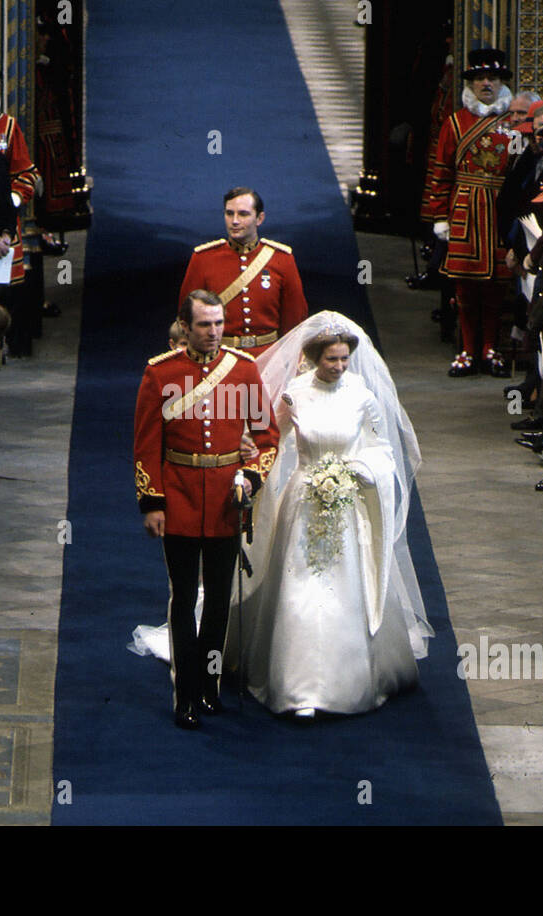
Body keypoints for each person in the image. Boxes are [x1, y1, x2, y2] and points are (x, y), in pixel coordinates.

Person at [240, 312, 433, 717]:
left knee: (344, 588)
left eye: (345, 359)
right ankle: (300, 687)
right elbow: (271, 440)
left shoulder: (361, 395)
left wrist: (358, 473)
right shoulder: (295, 394)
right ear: (314, 357)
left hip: (349, 505)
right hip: (304, 502)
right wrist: (249, 467)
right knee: (301, 587)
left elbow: (381, 449)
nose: (340, 366)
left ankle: (349, 678)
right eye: (332, 359)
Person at [132, 290, 279, 729]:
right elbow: (145, 444)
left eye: (218, 324)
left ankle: (211, 684)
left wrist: (250, 477)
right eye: (204, 325)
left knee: (218, 601)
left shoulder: (244, 369)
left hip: (224, 502)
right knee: (182, 600)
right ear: (186, 326)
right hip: (178, 498)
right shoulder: (161, 373)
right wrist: (152, 503)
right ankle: (186, 693)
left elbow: (267, 438)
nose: (214, 333)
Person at [423, 47, 515, 377]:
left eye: (492, 77)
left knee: (495, 284)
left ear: (501, 81)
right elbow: (441, 171)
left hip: (499, 210)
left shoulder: (513, 123)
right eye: (479, 78)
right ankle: (466, 347)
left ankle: (491, 347)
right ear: (471, 83)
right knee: (464, 284)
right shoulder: (454, 123)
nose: (486, 84)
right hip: (465, 210)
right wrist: (439, 216)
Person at [178, 187, 308, 356]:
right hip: (220, 359)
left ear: (259, 218)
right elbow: (187, 316)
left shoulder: (282, 259)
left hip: (268, 358)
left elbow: (294, 320)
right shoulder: (203, 258)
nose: (235, 221)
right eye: (229, 213)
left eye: (243, 214)